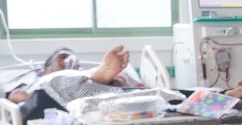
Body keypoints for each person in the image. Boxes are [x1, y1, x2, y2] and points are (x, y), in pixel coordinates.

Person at [10, 44, 143, 119]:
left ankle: (94, 83)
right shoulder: (37, 81)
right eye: (61, 60)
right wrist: (26, 96)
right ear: (46, 69)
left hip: (94, 104)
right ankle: (94, 82)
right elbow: (13, 96)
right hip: (51, 103)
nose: (69, 62)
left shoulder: (83, 75)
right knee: (48, 91)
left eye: (74, 61)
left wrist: (117, 80)